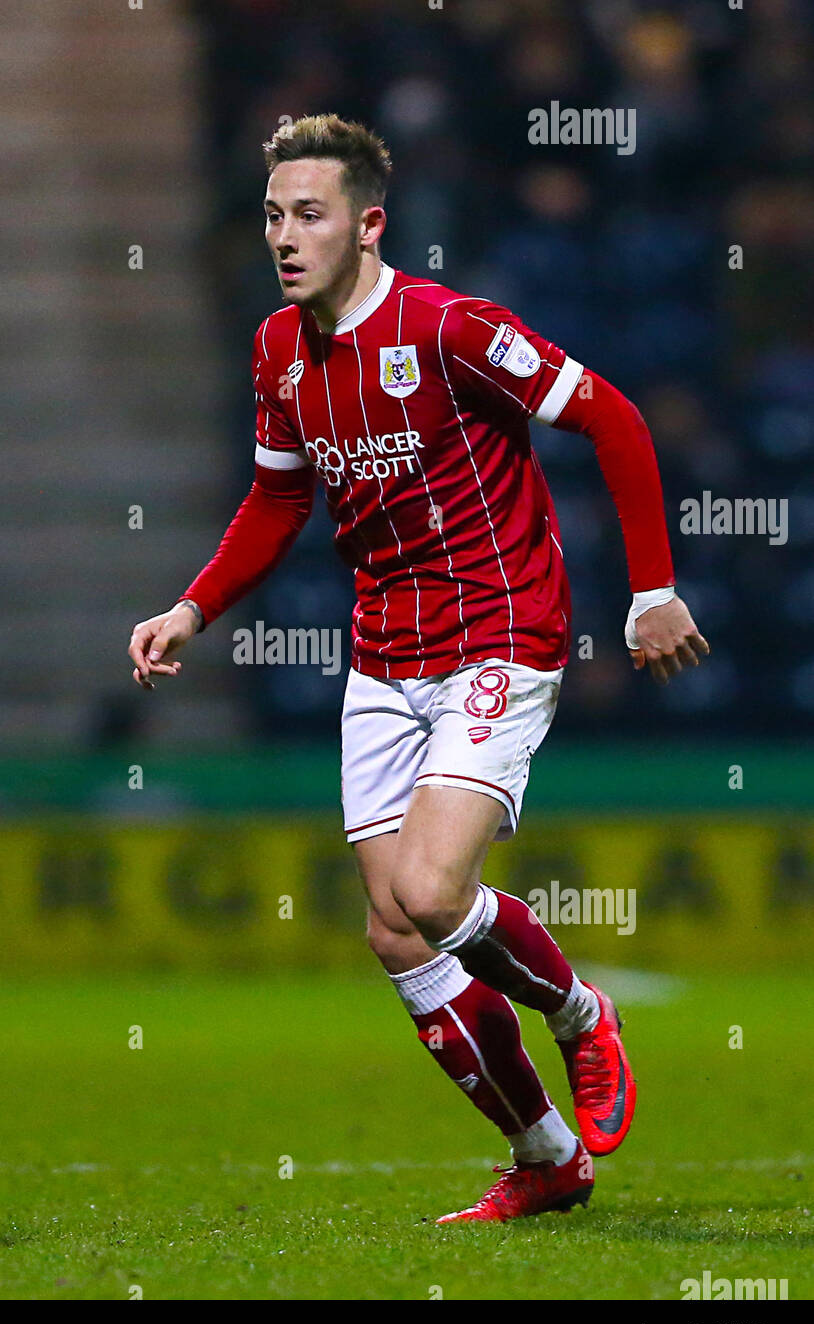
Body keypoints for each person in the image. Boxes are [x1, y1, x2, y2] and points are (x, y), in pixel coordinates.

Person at [128, 115, 709, 1222]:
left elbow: (614, 418)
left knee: (435, 893)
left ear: (368, 222)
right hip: (383, 651)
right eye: (271, 214)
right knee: (394, 927)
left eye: (309, 213)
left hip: (499, 626)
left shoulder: (447, 328)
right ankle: (544, 1157)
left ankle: (584, 1015)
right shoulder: (276, 350)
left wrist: (650, 592)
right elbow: (279, 495)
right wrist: (193, 607)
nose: (285, 235)